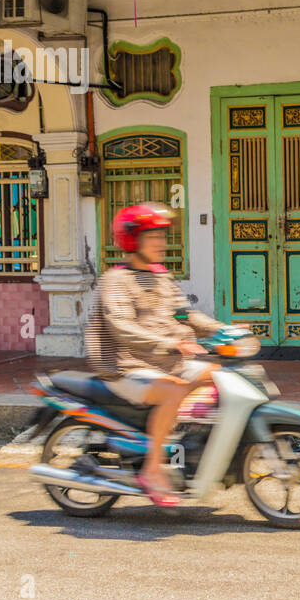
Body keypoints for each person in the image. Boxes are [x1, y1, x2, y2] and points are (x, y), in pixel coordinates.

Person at [85, 203, 227, 507]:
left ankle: (183, 452)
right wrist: (172, 344)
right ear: (132, 240)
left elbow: (185, 316)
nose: (161, 243)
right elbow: (123, 328)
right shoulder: (116, 280)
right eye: (153, 237)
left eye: (162, 236)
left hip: (165, 364)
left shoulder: (161, 276)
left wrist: (225, 331)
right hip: (125, 368)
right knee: (174, 389)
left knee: (218, 375)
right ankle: (151, 471)